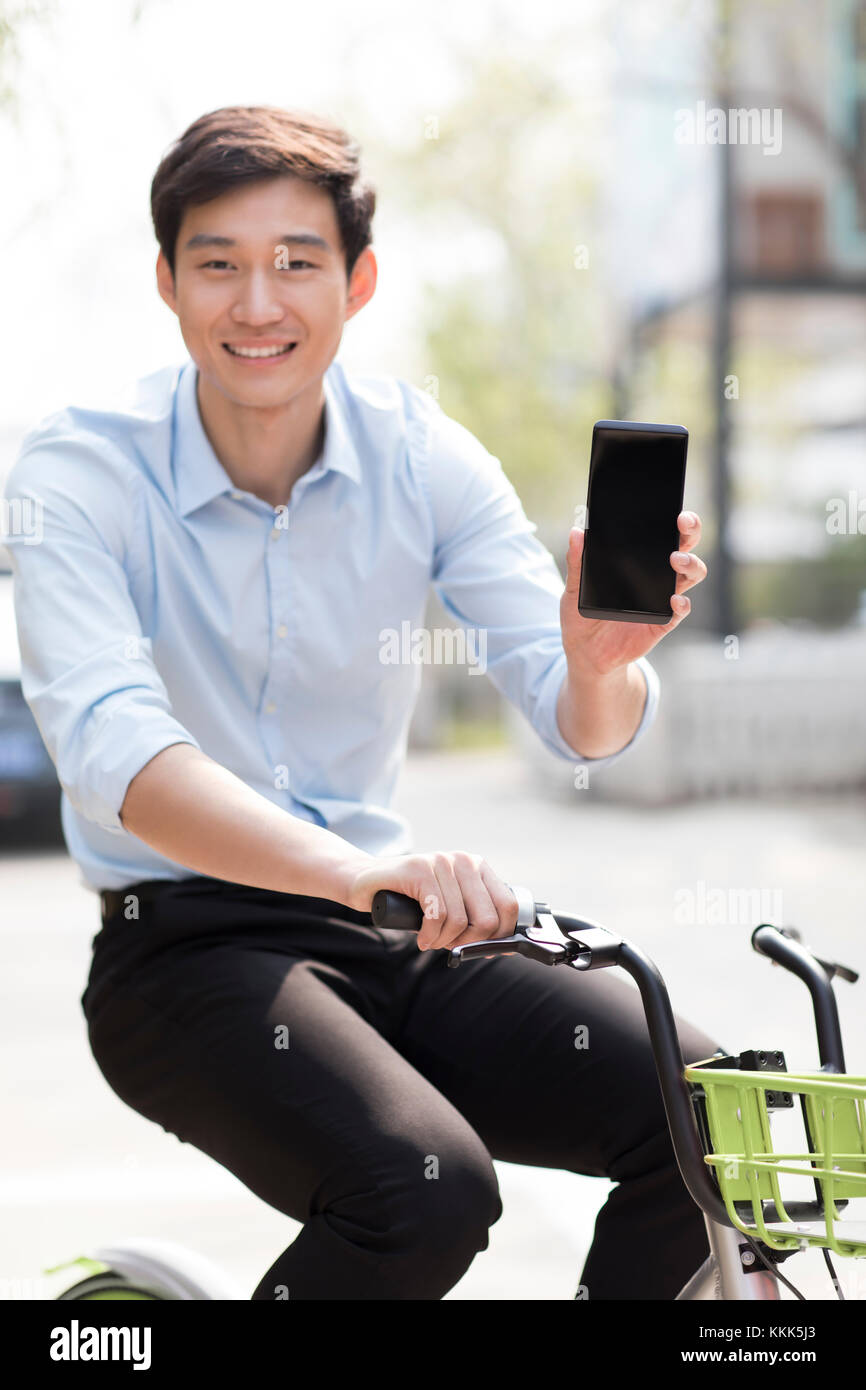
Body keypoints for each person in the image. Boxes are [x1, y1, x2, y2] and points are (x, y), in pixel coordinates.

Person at [3, 105, 717, 1300]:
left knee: (712, 1121)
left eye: (296, 263)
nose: (258, 302)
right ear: (168, 284)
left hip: (386, 929)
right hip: (182, 949)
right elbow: (118, 754)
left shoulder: (420, 456)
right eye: (218, 264)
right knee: (422, 1186)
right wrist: (346, 871)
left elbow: (576, 719)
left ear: (358, 280)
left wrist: (597, 664)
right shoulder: (79, 472)